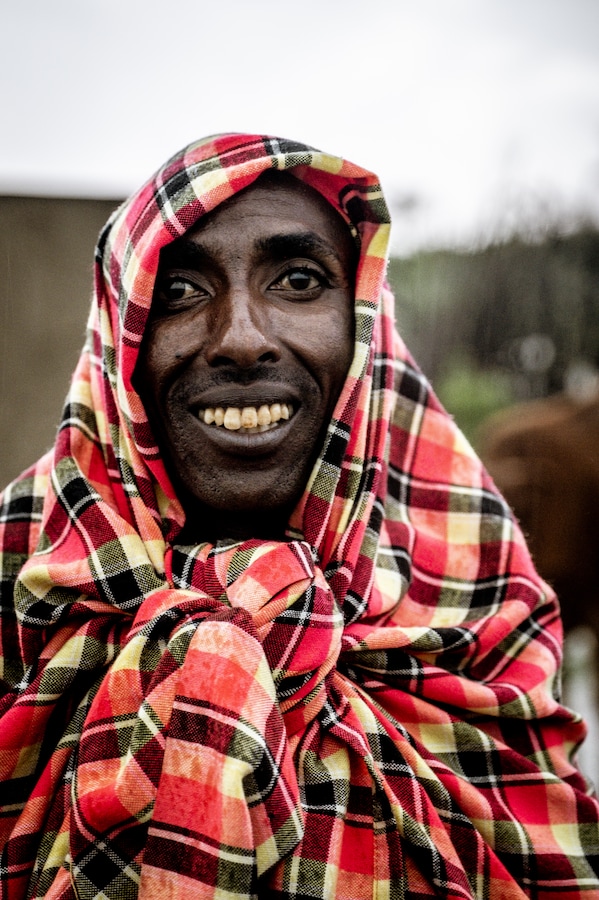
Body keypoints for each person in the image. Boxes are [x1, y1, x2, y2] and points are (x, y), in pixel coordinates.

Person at [0, 133, 597, 900]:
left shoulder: (473, 593)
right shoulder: (23, 581)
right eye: (177, 291)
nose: (241, 339)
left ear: (363, 327)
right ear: (120, 345)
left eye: (298, 280)